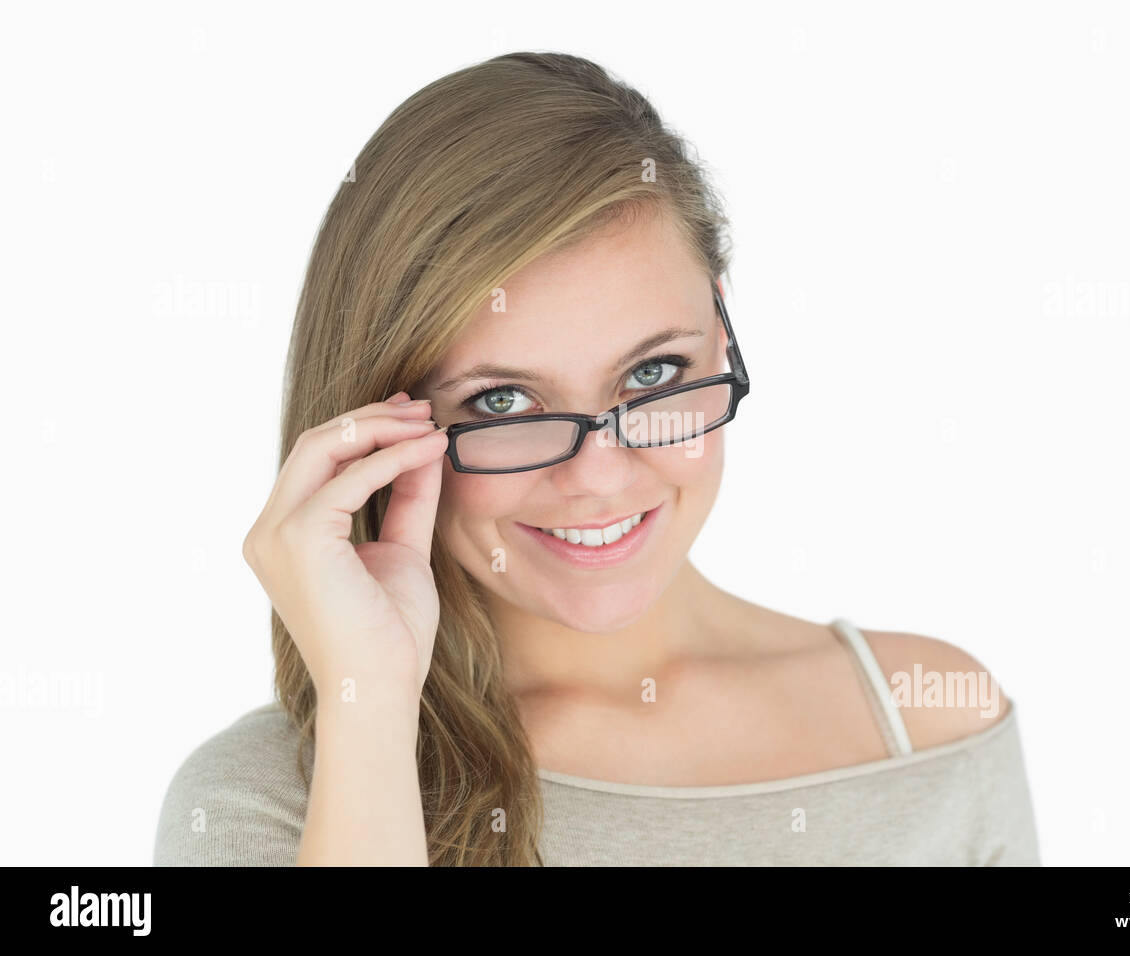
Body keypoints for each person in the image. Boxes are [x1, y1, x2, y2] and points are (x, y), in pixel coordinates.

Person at [153, 51, 1040, 866]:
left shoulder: (928, 726)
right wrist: (373, 714)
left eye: (653, 373)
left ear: (722, 329)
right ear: (377, 428)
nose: (599, 475)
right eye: (501, 402)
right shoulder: (275, 803)